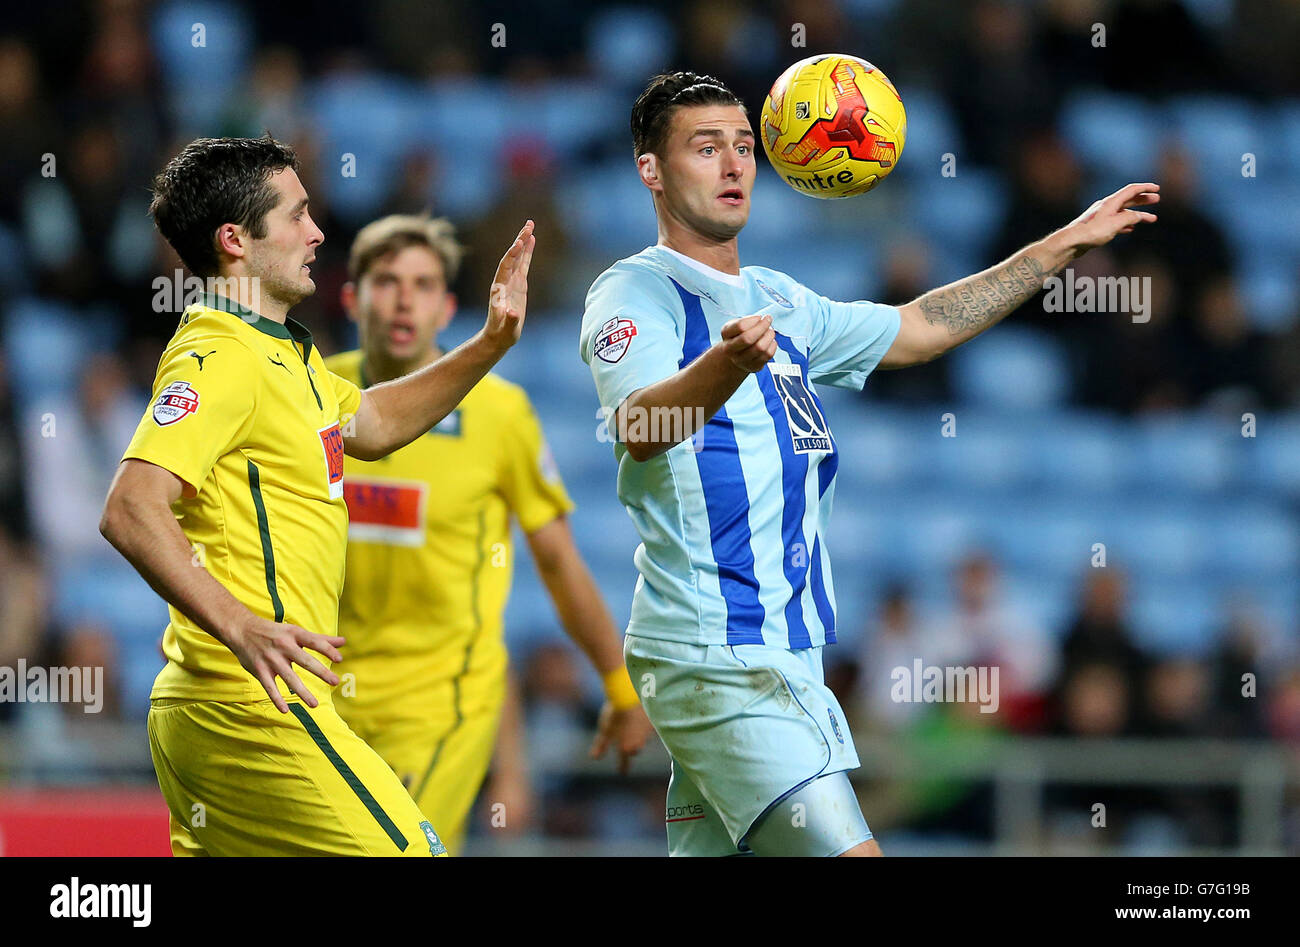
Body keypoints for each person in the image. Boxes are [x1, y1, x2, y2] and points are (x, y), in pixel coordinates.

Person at [580, 72, 1159, 857]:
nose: (732, 165)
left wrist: (1058, 246)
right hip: (720, 657)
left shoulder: (780, 299)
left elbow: (919, 326)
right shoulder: (635, 292)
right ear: (651, 169)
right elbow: (641, 424)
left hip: (784, 655)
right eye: (704, 147)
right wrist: (724, 367)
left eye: (744, 146)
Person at [99, 135, 535, 855]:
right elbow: (130, 504)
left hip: (226, 708)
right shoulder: (222, 354)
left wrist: (490, 342)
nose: (318, 232)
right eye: (296, 215)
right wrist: (239, 625)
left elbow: (374, 421)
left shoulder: (284, 351)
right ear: (235, 240)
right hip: (253, 708)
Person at [327, 213, 654, 855]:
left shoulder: (498, 413)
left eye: (422, 285)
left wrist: (617, 685)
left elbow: (558, 561)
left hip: (439, 704)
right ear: (350, 296)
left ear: (448, 306)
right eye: (386, 281)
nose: (403, 299)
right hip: (318, 699)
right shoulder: (312, 392)